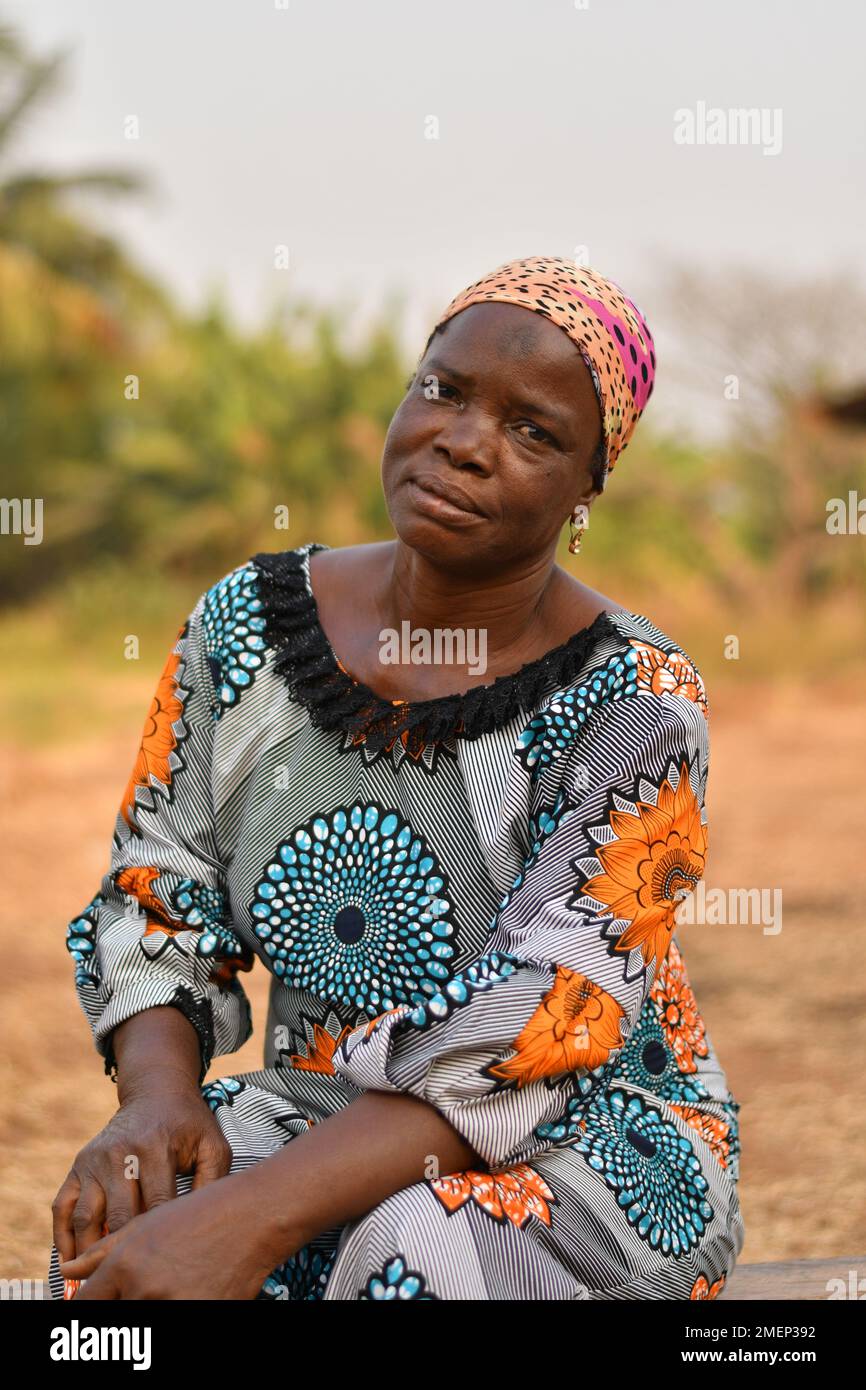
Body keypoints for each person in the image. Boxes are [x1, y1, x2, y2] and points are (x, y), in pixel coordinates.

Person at [49, 254, 744, 1301]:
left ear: (586, 483)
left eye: (532, 432)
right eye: (445, 390)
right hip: (327, 1112)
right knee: (128, 1221)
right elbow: (159, 890)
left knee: (417, 1259)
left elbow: (533, 1031)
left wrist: (245, 1220)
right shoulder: (244, 627)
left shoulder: (634, 702)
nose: (464, 443)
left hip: (588, 1137)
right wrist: (151, 1102)